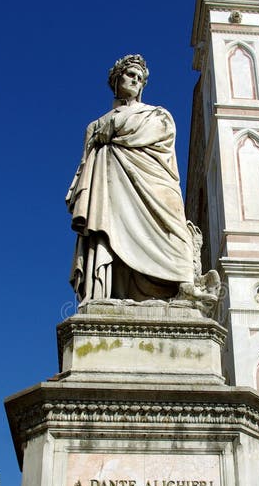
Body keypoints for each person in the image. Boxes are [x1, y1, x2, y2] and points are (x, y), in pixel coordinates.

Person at [65, 54, 194, 303]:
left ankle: (183, 283)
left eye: (139, 78)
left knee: (173, 226)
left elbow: (161, 134)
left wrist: (114, 130)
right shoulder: (95, 126)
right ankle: (114, 291)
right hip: (109, 189)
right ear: (116, 80)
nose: (135, 80)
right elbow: (86, 166)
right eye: (130, 75)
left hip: (154, 180)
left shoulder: (157, 115)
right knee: (112, 229)